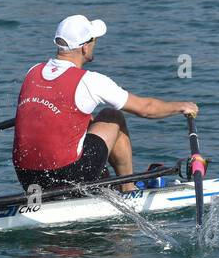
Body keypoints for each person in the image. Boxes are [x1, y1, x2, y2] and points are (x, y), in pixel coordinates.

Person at [12, 15, 199, 193]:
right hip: (67, 178)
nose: (95, 44)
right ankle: (128, 188)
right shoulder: (90, 81)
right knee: (112, 116)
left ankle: (100, 185)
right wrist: (182, 106)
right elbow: (146, 109)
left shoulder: (32, 72)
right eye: (94, 40)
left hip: (28, 179)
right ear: (84, 47)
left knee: (86, 122)